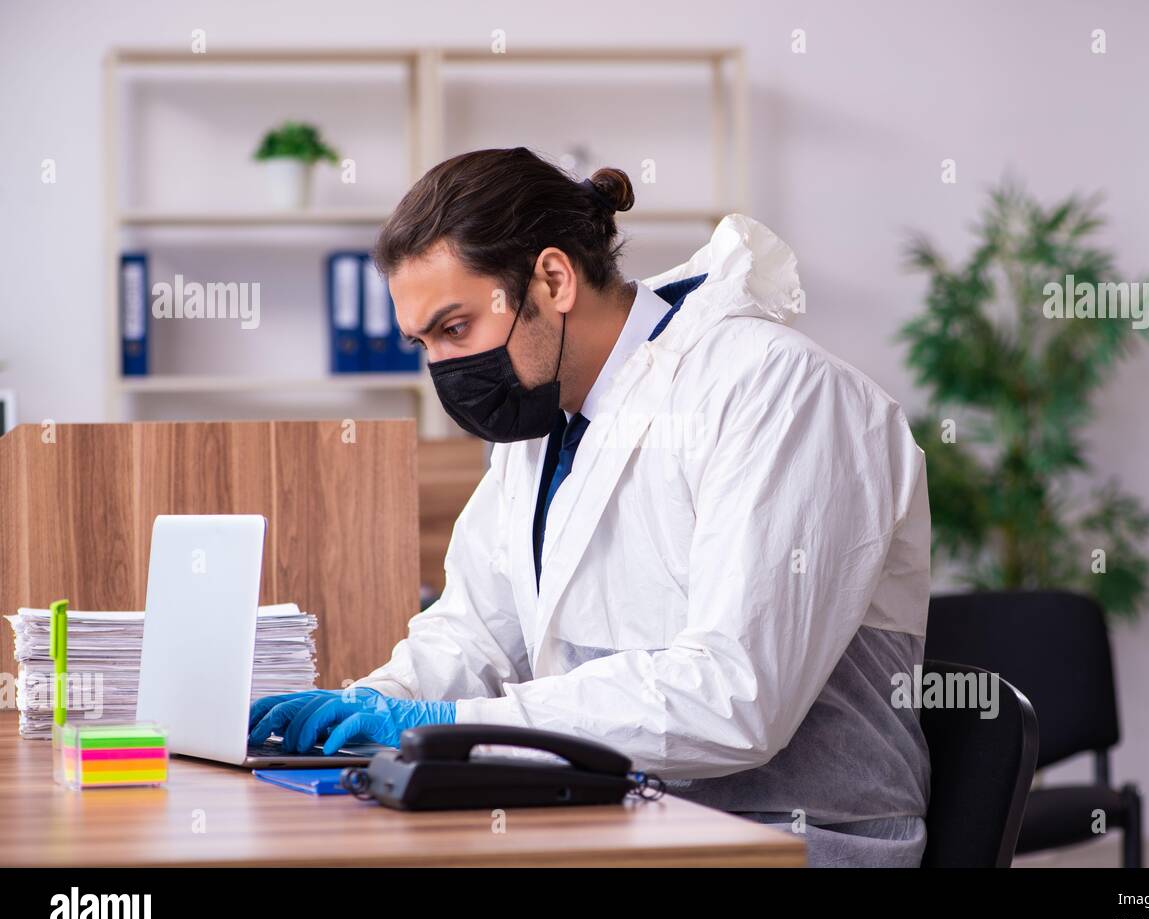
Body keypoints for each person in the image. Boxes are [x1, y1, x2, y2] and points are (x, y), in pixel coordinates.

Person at [249, 146, 932, 867]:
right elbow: (476, 634)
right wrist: (365, 709)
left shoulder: (778, 391)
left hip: (787, 838)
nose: (443, 370)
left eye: (456, 329)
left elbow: (737, 698)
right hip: (623, 821)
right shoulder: (544, 424)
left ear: (552, 278)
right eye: (424, 343)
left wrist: (445, 723)